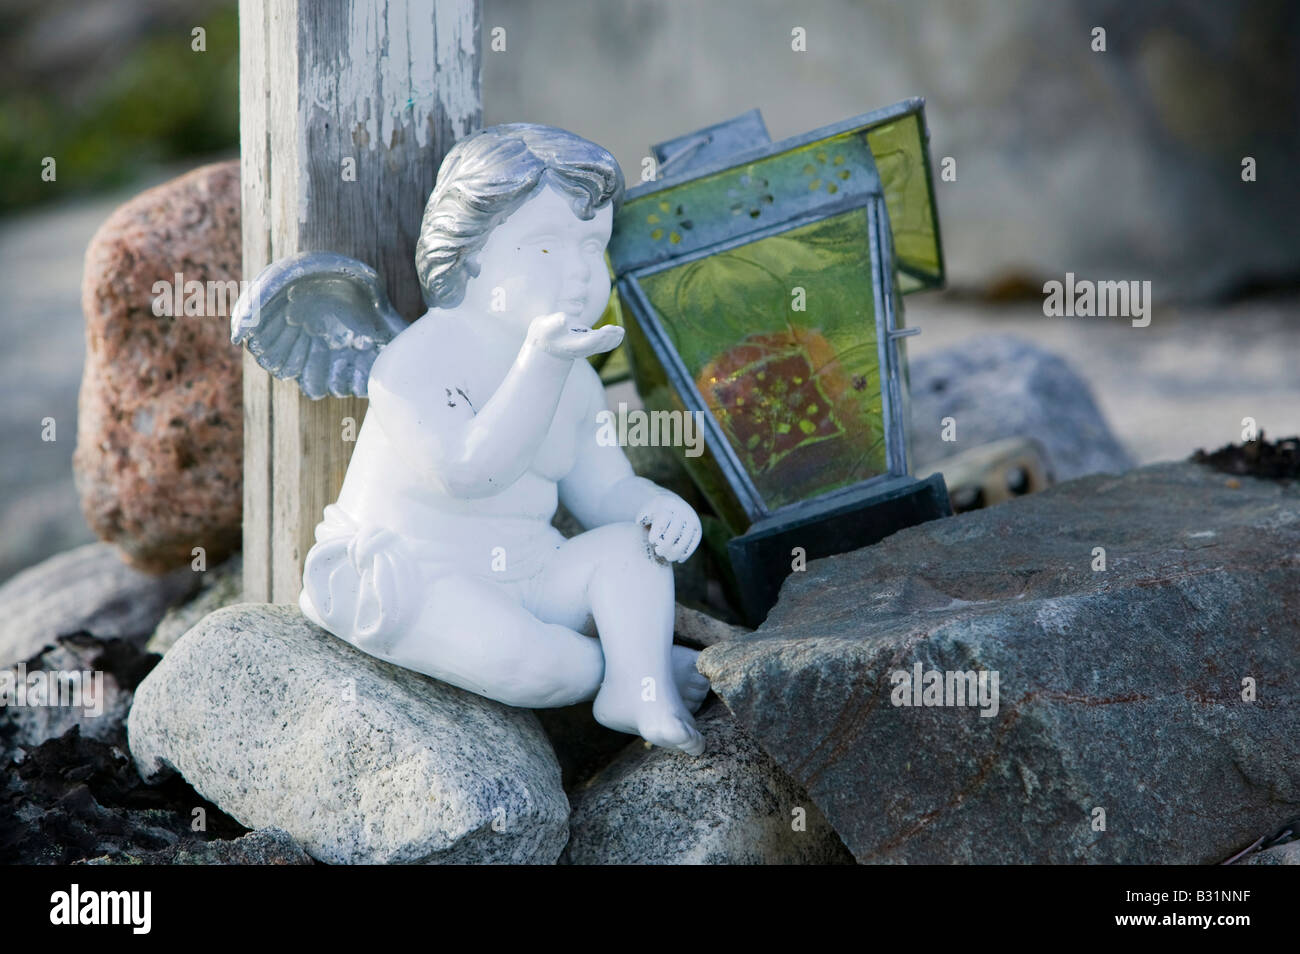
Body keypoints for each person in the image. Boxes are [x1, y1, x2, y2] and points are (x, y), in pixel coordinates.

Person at [299, 124, 709, 755]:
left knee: (632, 553)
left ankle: (639, 686)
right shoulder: (417, 361)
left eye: (592, 246)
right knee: (546, 668)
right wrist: (540, 362)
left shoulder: (575, 381)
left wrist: (654, 509)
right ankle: (625, 665)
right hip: (418, 575)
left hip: (531, 567)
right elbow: (471, 471)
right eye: (546, 249)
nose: (579, 275)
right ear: (467, 255)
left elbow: (606, 491)